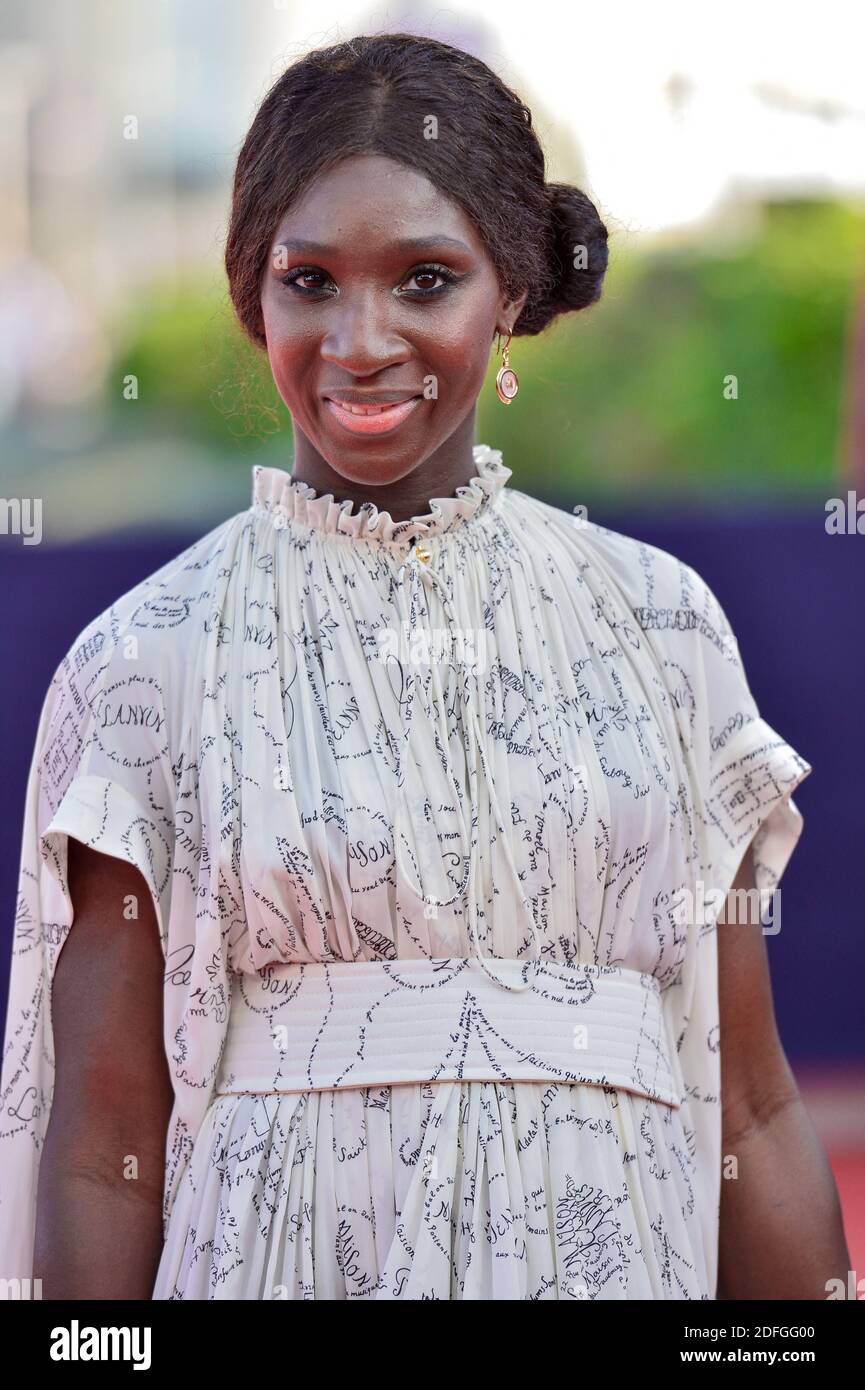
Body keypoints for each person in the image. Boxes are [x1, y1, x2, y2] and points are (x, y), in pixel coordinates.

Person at [0, 33, 849, 1301]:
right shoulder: (150, 657)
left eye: (424, 279)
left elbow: (751, 1112)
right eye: (310, 281)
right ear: (253, 297)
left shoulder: (662, 626)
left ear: (507, 292)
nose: (361, 339)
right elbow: (102, 1147)